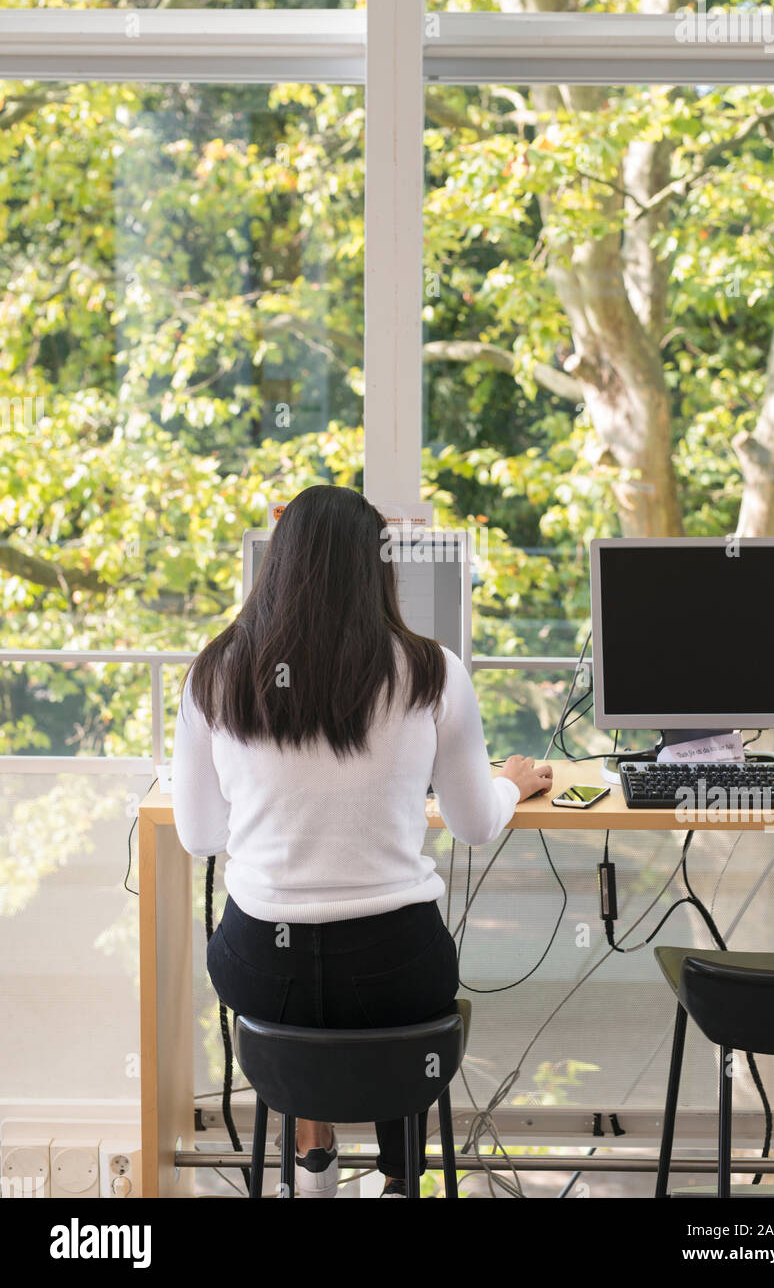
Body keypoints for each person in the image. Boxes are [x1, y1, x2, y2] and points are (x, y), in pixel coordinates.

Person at [172, 485, 553, 1197]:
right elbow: (473, 824)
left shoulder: (214, 674)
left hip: (261, 965)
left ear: (276, 566)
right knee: (386, 1002)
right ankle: (397, 1175)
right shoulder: (433, 671)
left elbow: (199, 836)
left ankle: (313, 1161)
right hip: (394, 964)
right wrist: (511, 782)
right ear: (378, 569)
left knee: (306, 1001)